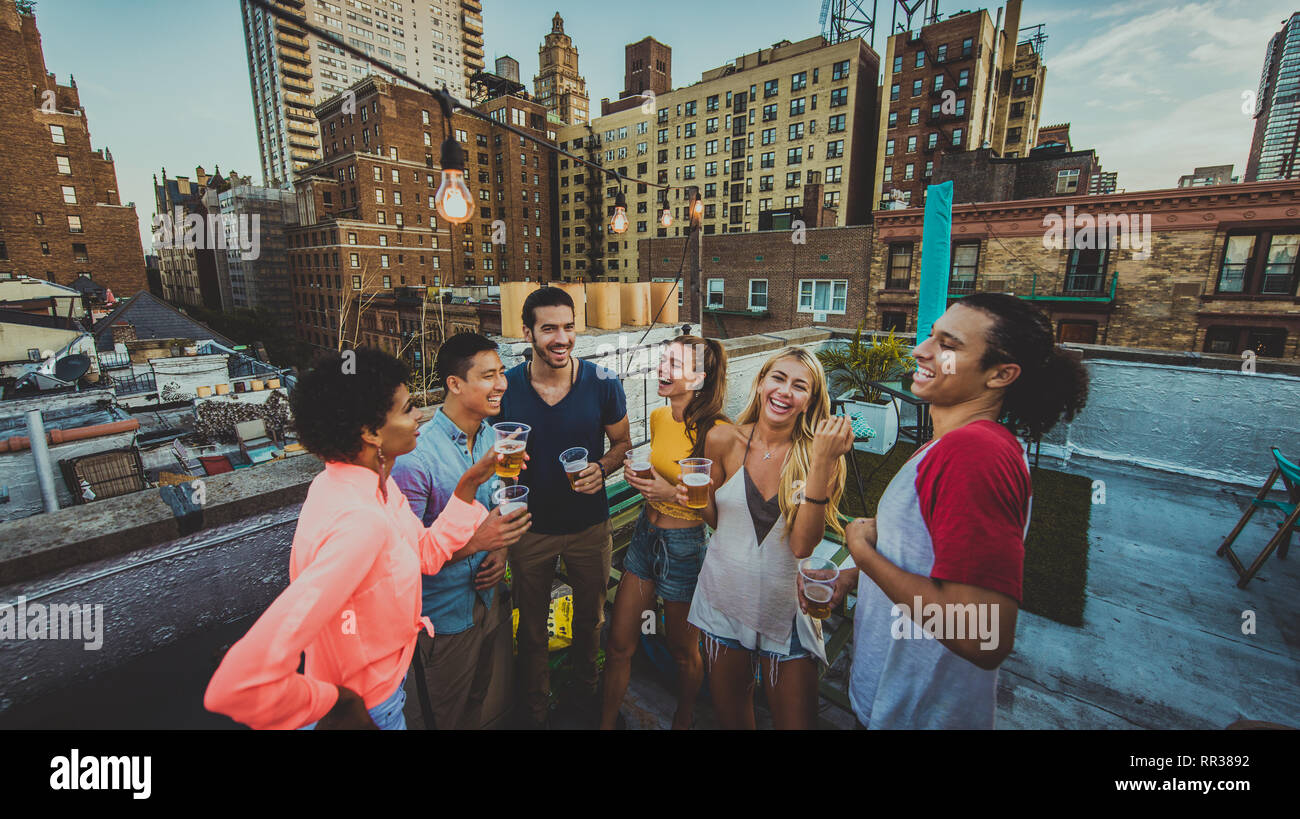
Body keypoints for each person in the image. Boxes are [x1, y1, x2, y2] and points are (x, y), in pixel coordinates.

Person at [204, 347, 528, 730]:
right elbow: (239, 683)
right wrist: (337, 701)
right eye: (407, 409)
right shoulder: (361, 522)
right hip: (369, 710)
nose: (420, 415)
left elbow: (425, 554)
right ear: (371, 432)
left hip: (386, 692)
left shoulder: (366, 486)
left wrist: (471, 481)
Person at [827, 293, 1088, 729]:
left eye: (949, 345)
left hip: (916, 714)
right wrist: (854, 576)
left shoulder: (975, 454)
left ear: (1001, 374)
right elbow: (927, 565)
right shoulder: (950, 445)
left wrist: (863, 551)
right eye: (931, 337)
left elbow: (980, 634)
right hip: (893, 702)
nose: (920, 351)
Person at [682, 346, 853, 729]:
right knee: (732, 719)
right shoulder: (722, 439)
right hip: (724, 598)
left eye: (799, 386)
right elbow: (716, 519)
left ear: (810, 400)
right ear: (760, 383)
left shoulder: (819, 457)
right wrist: (695, 503)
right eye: (778, 378)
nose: (784, 391)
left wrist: (824, 462)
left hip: (787, 611)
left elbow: (802, 546)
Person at [500, 286, 632, 728]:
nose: (562, 338)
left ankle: (585, 697)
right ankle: (536, 710)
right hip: (528, 530)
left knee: (590, 622)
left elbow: (622, 443)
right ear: (528, 332)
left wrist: (602, 467)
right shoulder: (507, 388)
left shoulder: (603, 382)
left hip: (589, 527)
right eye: (550, 328)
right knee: (532, 630)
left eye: (569, 327)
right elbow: (485, 450)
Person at [391, 333, 529, 730]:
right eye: (488, 376)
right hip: (444, 619)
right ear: (454, 384)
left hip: (487, 603)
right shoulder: (414, 459)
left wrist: (499, 548)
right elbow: (403, 562)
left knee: (476, 703)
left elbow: (495, 509)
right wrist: (478, 543)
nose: (501, 383)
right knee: (443, 717)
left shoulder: (493, 438)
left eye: (501, 373)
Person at [600, 335, 728, 730]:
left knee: (682, 651)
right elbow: (656, 471)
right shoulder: (658, 418)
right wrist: (640, 478)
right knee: (619, 642)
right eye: (662, 359)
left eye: (674, 363)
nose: (662, 368)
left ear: (700, 379)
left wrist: (673, 491)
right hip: (644, 537)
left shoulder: (718, 433)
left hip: (684, 548)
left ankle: (684, 717)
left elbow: (721, 517)